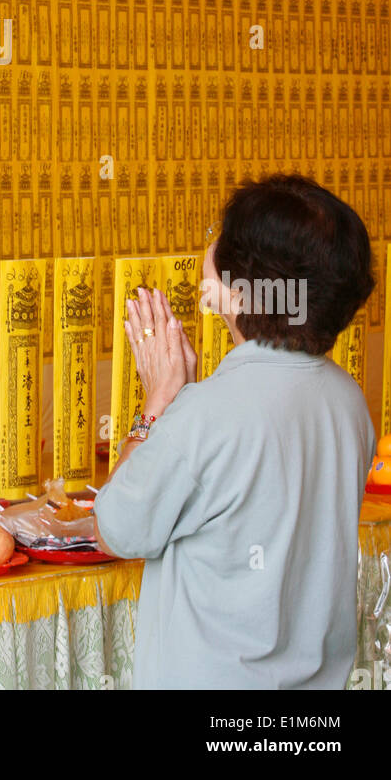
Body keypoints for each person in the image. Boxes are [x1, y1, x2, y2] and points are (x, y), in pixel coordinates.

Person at [93, 174, 376, 690]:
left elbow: (117, 529)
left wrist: (158, 401)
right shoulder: (348, 400)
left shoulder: (205, 414)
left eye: (219, 235)